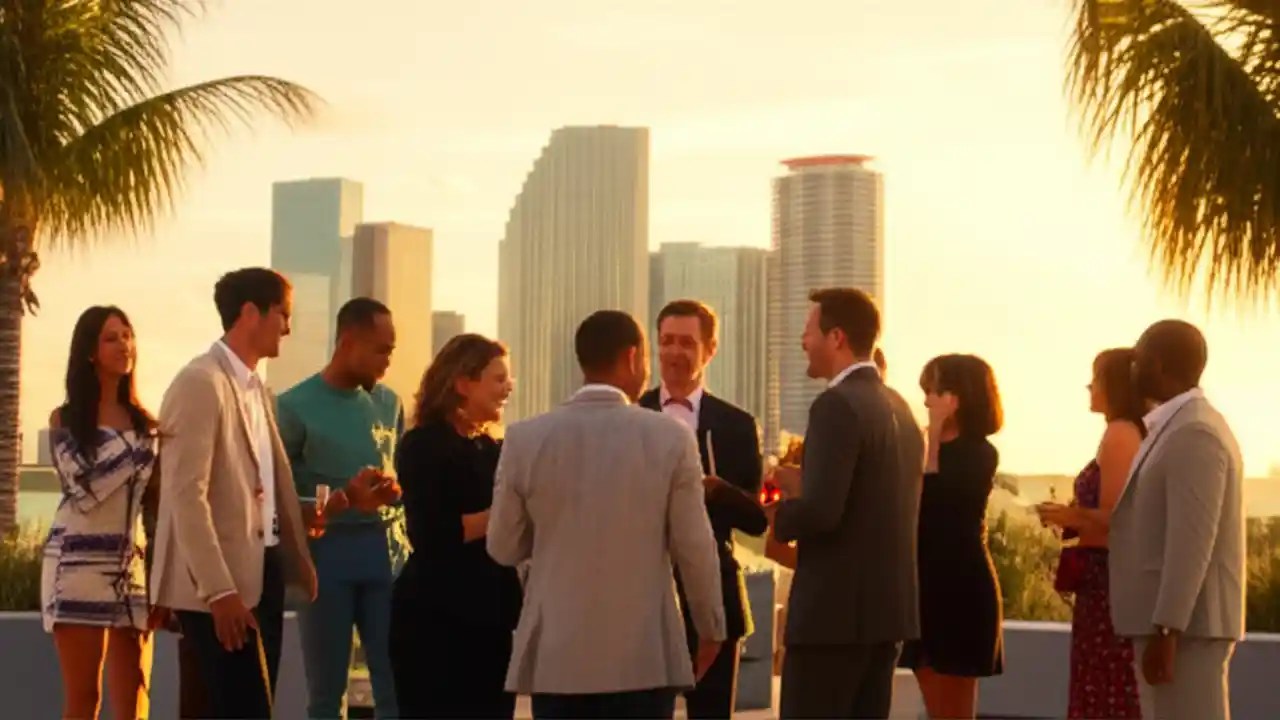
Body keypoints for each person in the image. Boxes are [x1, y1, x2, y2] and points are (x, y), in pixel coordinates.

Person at [487, 310, 726, 720]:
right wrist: (711, 626)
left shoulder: (524, 438)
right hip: (643, 657)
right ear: (632, 357)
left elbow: (503, 546)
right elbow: (695, 548)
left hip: (557, 659)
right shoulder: (671, 437)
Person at [149, 267, 318, 719]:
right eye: (283, 314)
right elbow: (187, 495)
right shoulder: (200, 383)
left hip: (261, 580)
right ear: (250, 314)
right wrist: (219, 592)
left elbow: (254, 492)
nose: (288, 326)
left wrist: (302, 531)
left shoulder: (258, 391)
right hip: (220, 591)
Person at [766, 288, 923, 720]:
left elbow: (822, 512)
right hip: (886, 616)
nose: (803, 342)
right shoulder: (900, 408)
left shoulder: (835, 405)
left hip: (832, 620)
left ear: (836, 337)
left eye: (808, 332)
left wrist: (777, 513)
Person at [277, 297, 407, 719]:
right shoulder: (293, 406)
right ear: (348, 342)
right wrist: (342, 497)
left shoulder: (390, 403)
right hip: (324, 555)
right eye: (382, 349)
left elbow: (401, 473)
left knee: (396, 686)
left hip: (387, 553)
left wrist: (390, 489)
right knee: (326, 692)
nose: (388, 360)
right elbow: (277, 493)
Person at [1108, 320, 1244, 720]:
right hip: (1176, 627)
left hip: (1188, 630)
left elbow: (1191, 541)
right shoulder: (1173, 427)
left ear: (1158, 364)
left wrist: (1168, 629)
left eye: (1137, 359)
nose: (1131, 369)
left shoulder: (1195, 431)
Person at [638, 299, 767, 720]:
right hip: (642, 593)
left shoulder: (736, 424)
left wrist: (716, 490)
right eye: (667, 342)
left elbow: (755, 519)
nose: (675, 352)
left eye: (687, 343)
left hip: (715, 591)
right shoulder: (630, 414)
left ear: (710, 349)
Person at [389, 334, 522, 719]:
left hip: (491, 618)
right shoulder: (423, 445)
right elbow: (435, 534)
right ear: (463, 383)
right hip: (436, 622)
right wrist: (508, 511)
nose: (507, 387)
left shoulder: (494, 448)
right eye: (498, 379)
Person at [42, 306, 161, 720]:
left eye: (128, 335)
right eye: (111, 338)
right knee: (84, 699)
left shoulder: (147, 425)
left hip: (133, 570)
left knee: (135, 701)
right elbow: (84, 488)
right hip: (78, 566)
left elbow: (158, 504)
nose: (124, 345)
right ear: (90, 351)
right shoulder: (67, 420)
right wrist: (139, 446)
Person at [1038, 348, 1145, 719]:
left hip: (1106, 582)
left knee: (1104, 685)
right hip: (1106, 581)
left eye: (1096, 379)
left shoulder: (1119, 434)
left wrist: (1070, 514)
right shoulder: (1130, 432)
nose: (1089, 387)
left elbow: (1117, 517)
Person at [899, 354, 1005, 720]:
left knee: (955, 709)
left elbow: (936, 499)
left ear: (958, 397)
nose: (927, 400)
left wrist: (934, 437)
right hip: (925, 585)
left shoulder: (979, 454)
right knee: (931, 696)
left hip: (961, 586)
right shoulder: (920, 447)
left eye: (935, 391)